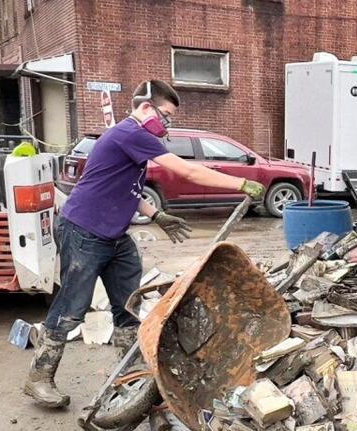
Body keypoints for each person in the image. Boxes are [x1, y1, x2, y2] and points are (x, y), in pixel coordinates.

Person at [24, 79, 265, 408]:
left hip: (113, 234)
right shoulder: (129, 133)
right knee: (72, 307)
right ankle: (39, 377)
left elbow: (126, 188)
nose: (167, 124)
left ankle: (129, 377)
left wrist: (156, 215)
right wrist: (240, 182)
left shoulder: (133, 142)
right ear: (146, 108)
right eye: (166, 115)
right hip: (83, 230)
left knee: (128, 306)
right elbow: (186, 172)